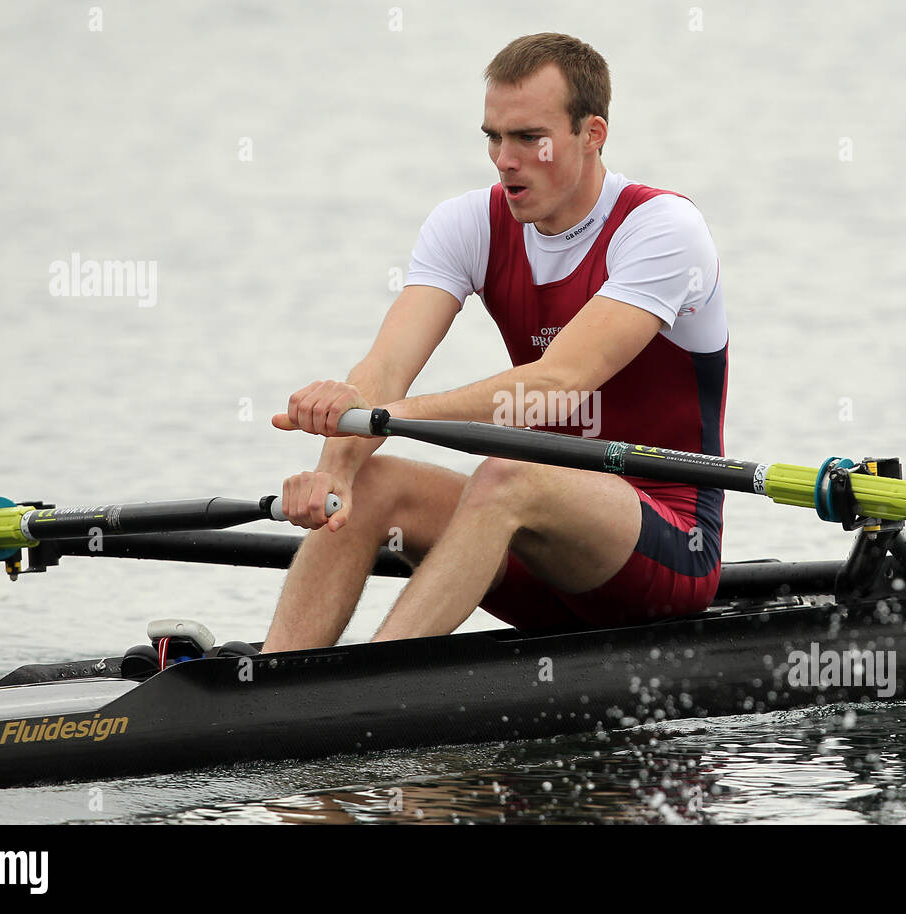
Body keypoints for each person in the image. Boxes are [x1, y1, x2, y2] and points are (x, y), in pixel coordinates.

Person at [263, 32, 727, 650]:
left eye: (528, 137)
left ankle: (371, 690)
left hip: (664, 547)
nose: (505, 159)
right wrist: (335, 470)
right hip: (537, 548)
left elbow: (558, 385)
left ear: (593, 134)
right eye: (493, 137)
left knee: (508, 474)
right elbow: (386, 366)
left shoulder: (663, 229)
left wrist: (381, 419)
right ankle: (276, 681)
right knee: (373, 482)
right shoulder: (466, 223)